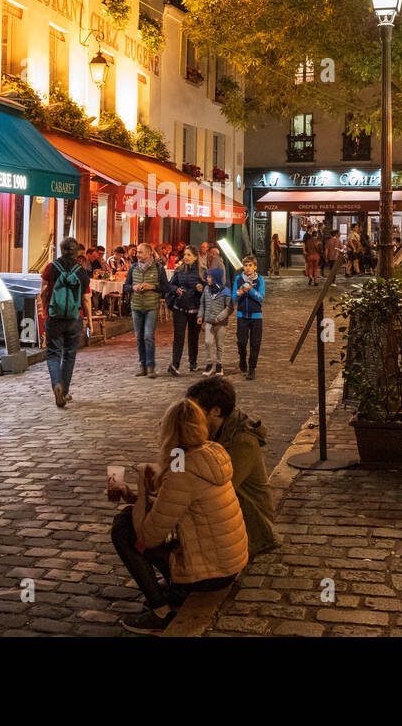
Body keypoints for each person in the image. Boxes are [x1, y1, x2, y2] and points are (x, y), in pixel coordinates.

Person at [110, 397, 249, 634]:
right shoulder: (211, 452)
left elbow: (149, 536)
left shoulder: (182, 470)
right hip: (229, 562)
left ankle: (160, 612)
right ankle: (176, 590)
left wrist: (142, 489)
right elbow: (173, 506)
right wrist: (134, 496)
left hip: (211, 574)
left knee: (123, 526)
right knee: (130, 516)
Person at [186, 377, 278, 558]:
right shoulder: (206, 430)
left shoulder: (243, 440)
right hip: (226, 514)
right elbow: (179, 470)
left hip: (252, 522)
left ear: (215, 411)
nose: (190, 416)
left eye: (195, 410)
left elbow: (220, 491)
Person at [40, 236, 91, 408]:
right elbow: (86, 298)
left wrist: (43, 308)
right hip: (74, 317)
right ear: (77, 252)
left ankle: (57, 384)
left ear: (61, 250)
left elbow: (44, 290)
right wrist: (89, 320)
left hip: (54, 316)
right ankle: (65, 390)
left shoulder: (51, 267)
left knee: (53, 353)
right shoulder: (81, 271)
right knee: (69, 354)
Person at [123, 243, 168, 377]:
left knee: (148, 336)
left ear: (149, 253)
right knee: (139, 337)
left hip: (151, 306)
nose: (138, 255)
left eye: (141, 252)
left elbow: (165, 287)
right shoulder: (133, 268)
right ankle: (142, 365)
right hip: (136, 306)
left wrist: (152, 286)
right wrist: (133, 288)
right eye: (137, 252)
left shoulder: (158, 268)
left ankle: (150, 367)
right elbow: (126, 286)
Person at [166, 246, 204, 376]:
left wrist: (201, 288)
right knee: (179, 337)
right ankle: (175, 365)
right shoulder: (179, 270)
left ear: (195, 257)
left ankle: (193, 363)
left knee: (193, 337)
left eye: (188, 255)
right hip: (180, 308)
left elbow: (209, 289)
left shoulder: (202, 271)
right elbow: (170, 284)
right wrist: (175, 289)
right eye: (185, 254)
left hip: (195, 309)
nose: (185, 257)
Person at [233, 255, 265, 380]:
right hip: (242, 315)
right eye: (245, 265)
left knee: (255, 343)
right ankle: (242, 358)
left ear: (255, 267)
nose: (247, 268)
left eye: (250, 265)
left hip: (256, 316)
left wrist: (251, 290)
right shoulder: (238, 279)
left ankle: (252, 368)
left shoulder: (260, 280)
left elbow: (261, 298)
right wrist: (239, 294)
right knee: (241, 341)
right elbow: (234, 298)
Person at [196, 266, 232, 376]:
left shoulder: (225, 291)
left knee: (219, 345)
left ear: (216, 277)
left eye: (210, 277)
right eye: (207, 276)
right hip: (209, 321)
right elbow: (202, 303)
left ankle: (219, 364)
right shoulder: (206, 289)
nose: (207, 279)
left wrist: (219, 317)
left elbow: (229, 307)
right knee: (207, 342)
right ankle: (209, 364)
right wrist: (200, 316)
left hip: (220, 323)